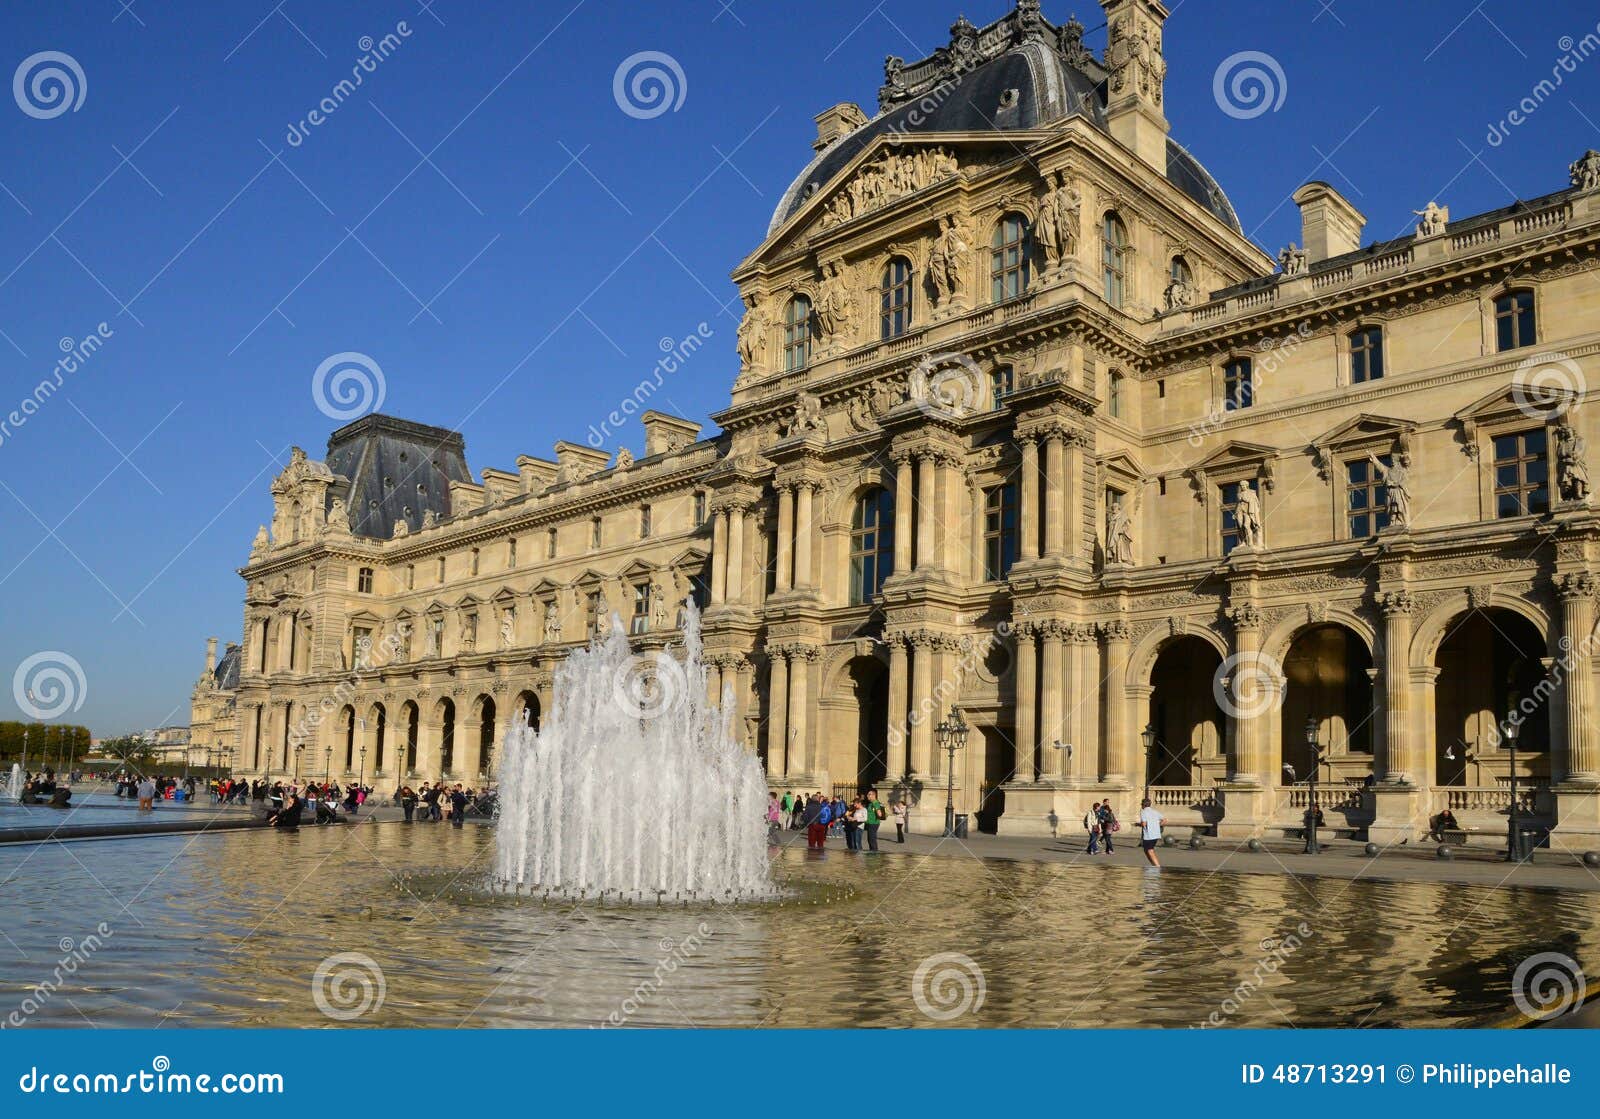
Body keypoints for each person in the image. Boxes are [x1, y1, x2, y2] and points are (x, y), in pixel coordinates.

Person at [1137, 797, 1164, 868]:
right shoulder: (1155, 811)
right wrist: (1157, 825)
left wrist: (1138, 824)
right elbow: (1164, 820)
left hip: (1148, 835)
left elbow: (1143, 824)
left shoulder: (1143, 812)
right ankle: (1153, 865)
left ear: (1143, 805)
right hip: (1156, 834)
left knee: (1149, 851)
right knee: (1146, 850)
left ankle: (1157, 866)